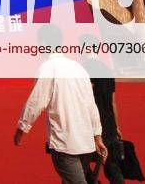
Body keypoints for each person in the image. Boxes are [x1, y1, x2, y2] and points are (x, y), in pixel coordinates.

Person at [14, 26, 107, 184]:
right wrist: (97, 136)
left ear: (44, 43)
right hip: (86, 142)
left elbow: (36, 102)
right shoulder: (78, 68)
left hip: (65, 143)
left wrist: (21, 129)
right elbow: (91, 105)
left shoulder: (47, 68)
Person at [81, 39, 125, 184]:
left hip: (89, 124)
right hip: (108, 122)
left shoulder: (83, 69)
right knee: (111, 165)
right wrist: (116, 126)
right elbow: (112, 101)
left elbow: (83, 98)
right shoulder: (107, 70)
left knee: (80, 164)